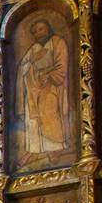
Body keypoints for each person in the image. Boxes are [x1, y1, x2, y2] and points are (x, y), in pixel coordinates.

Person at [16, 17, 71, 165]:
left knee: (50, 115)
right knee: (33, 120)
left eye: (41, 29)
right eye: (35, 32)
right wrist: (33, 60)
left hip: (52, 86)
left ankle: (54, 148)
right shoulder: (33, 49)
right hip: (34, 88)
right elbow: (23, 68)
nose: (38, 33)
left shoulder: (57, 42)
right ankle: (33, 150)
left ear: (48, 29)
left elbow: (62, 65)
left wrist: (50, 76)